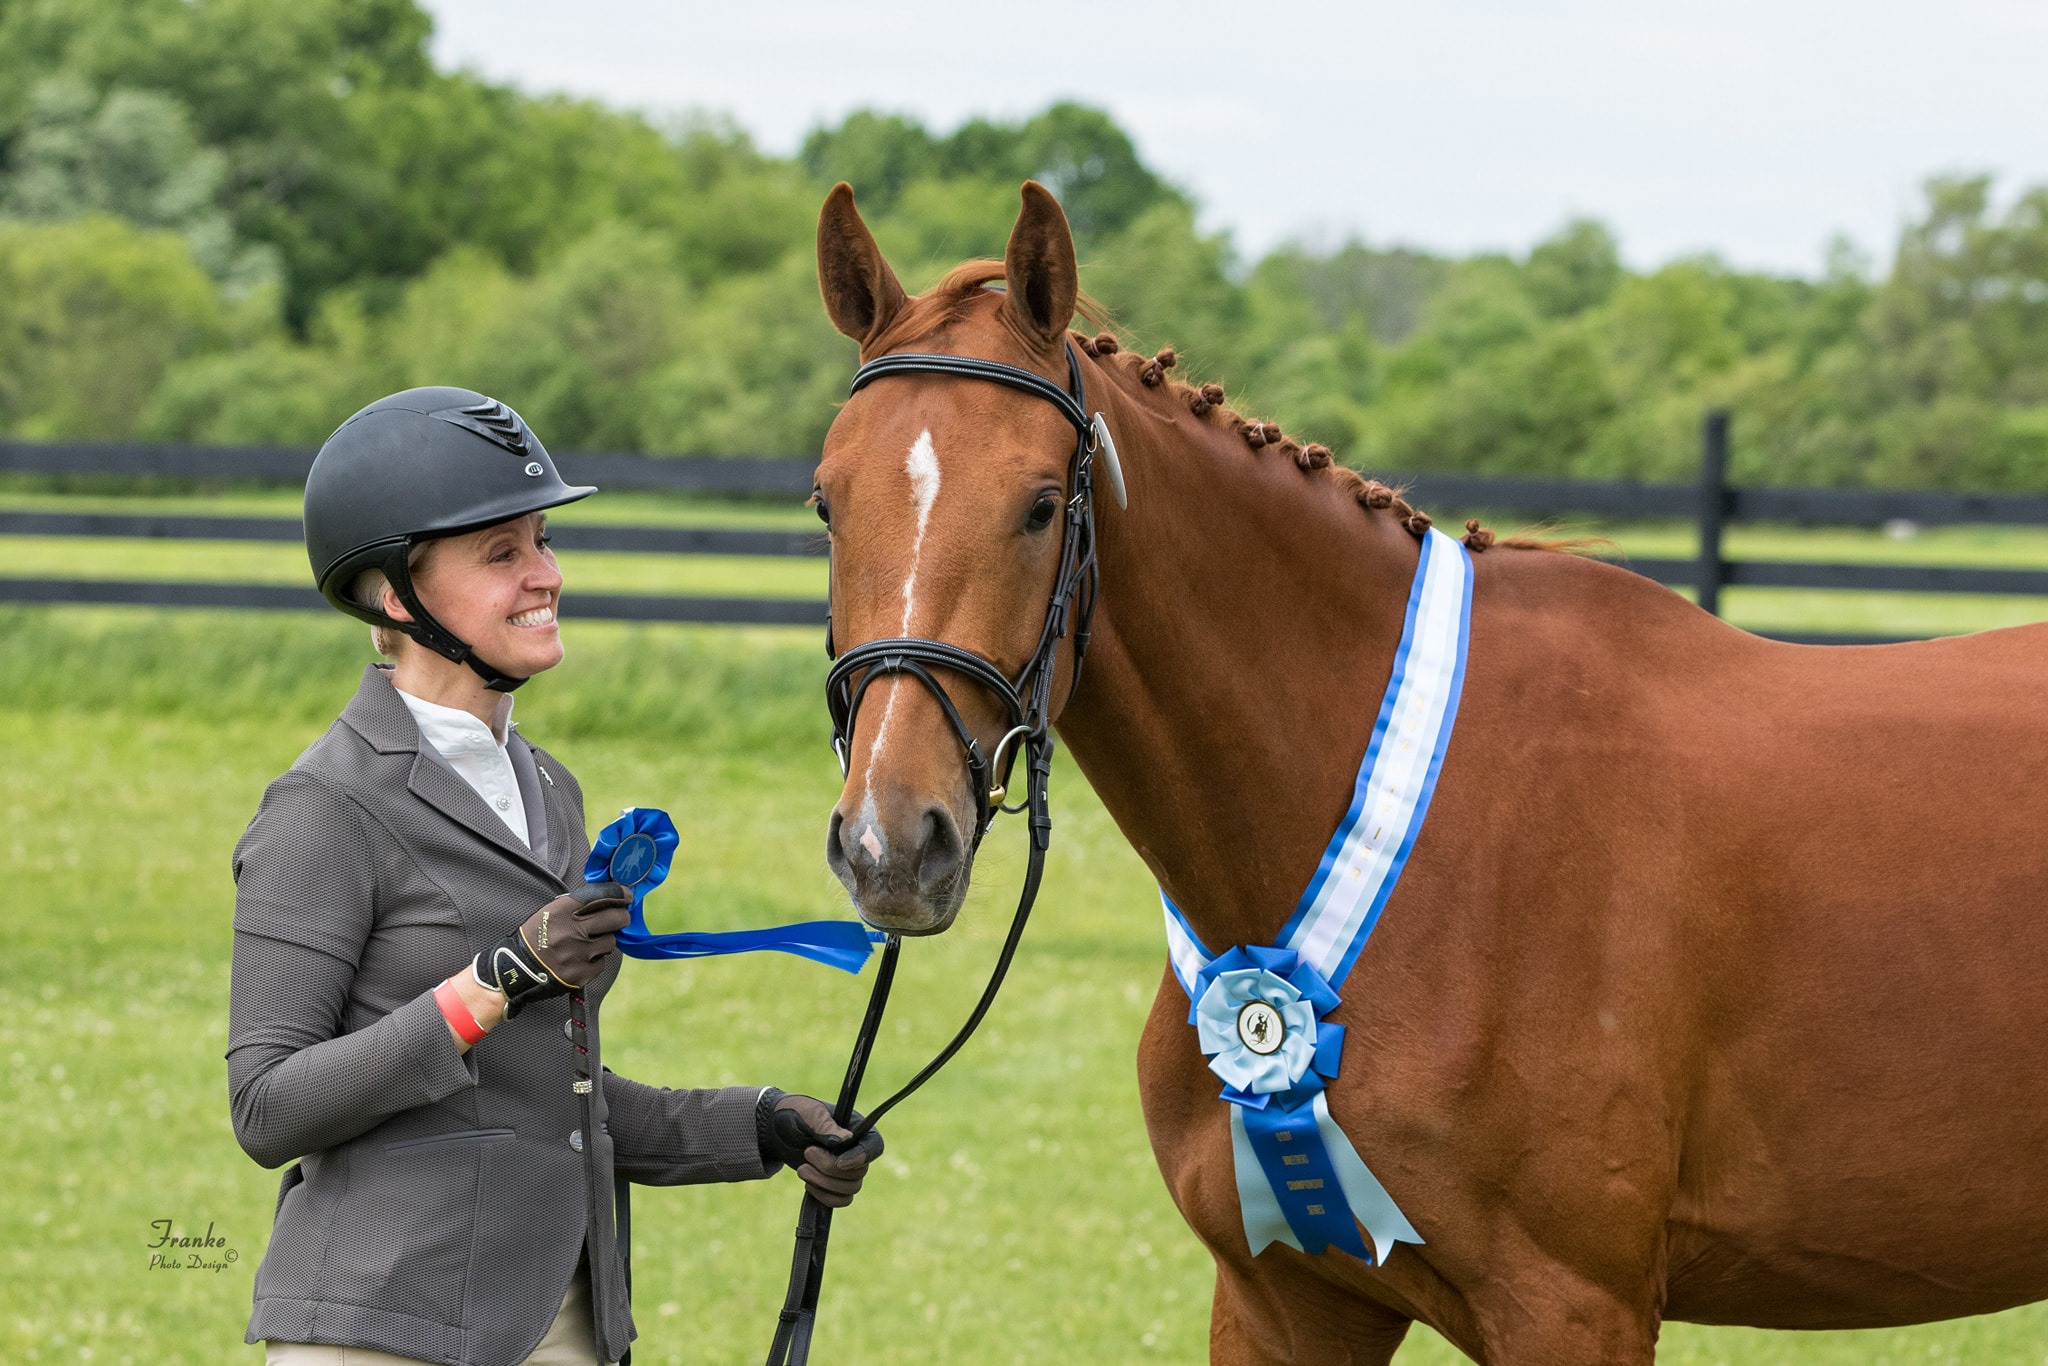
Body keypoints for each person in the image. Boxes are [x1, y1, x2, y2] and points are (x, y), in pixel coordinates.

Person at [227, 387, 881, 1366]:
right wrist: (494, 983)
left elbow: (547, 1097)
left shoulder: (547, 790)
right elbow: (269, 1105)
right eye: (503, 553)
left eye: (541, 541)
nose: (546, 574)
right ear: (396, 596)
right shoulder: (323, 806)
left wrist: (762, 1124)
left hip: (567, 1323)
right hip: (382, 1330)